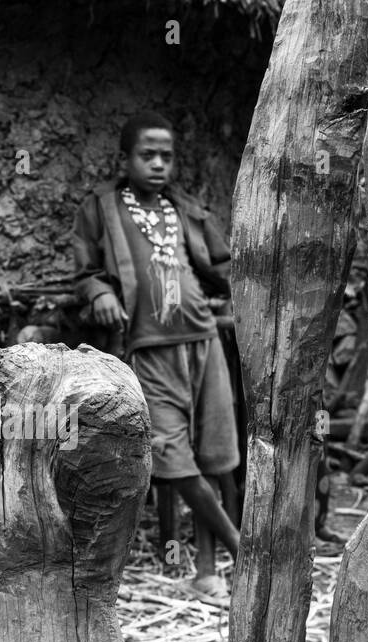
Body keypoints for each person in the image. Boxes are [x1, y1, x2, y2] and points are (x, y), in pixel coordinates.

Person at [71, 111, 240, 605]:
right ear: (125, 159)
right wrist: (99, 291)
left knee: (213, 454)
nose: (158, 164)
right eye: (147, 155)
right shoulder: (100, 209)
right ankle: (241, 549)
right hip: (146, 349)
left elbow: (225, 264)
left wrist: (226, 294)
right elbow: (84, 270)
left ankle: (208, 572)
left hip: (202, 342)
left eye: (166, 156)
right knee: (168, 452)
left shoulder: (183, 209)